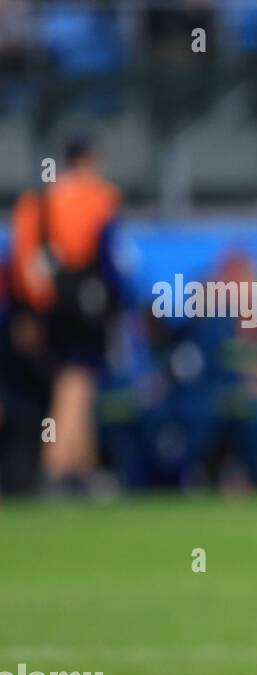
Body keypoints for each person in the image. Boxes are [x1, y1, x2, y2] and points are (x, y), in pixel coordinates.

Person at [9, 136, 123, 495]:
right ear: (90, 158)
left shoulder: (38, 202)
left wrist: (24, 313)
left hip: (47, 306)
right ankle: (56, 466)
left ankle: (84, 470)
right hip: (84, 306)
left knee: (76, 384)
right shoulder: (98, 198)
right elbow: (110, 260)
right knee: (75, 383)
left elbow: (20, 263)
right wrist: (117, 306)